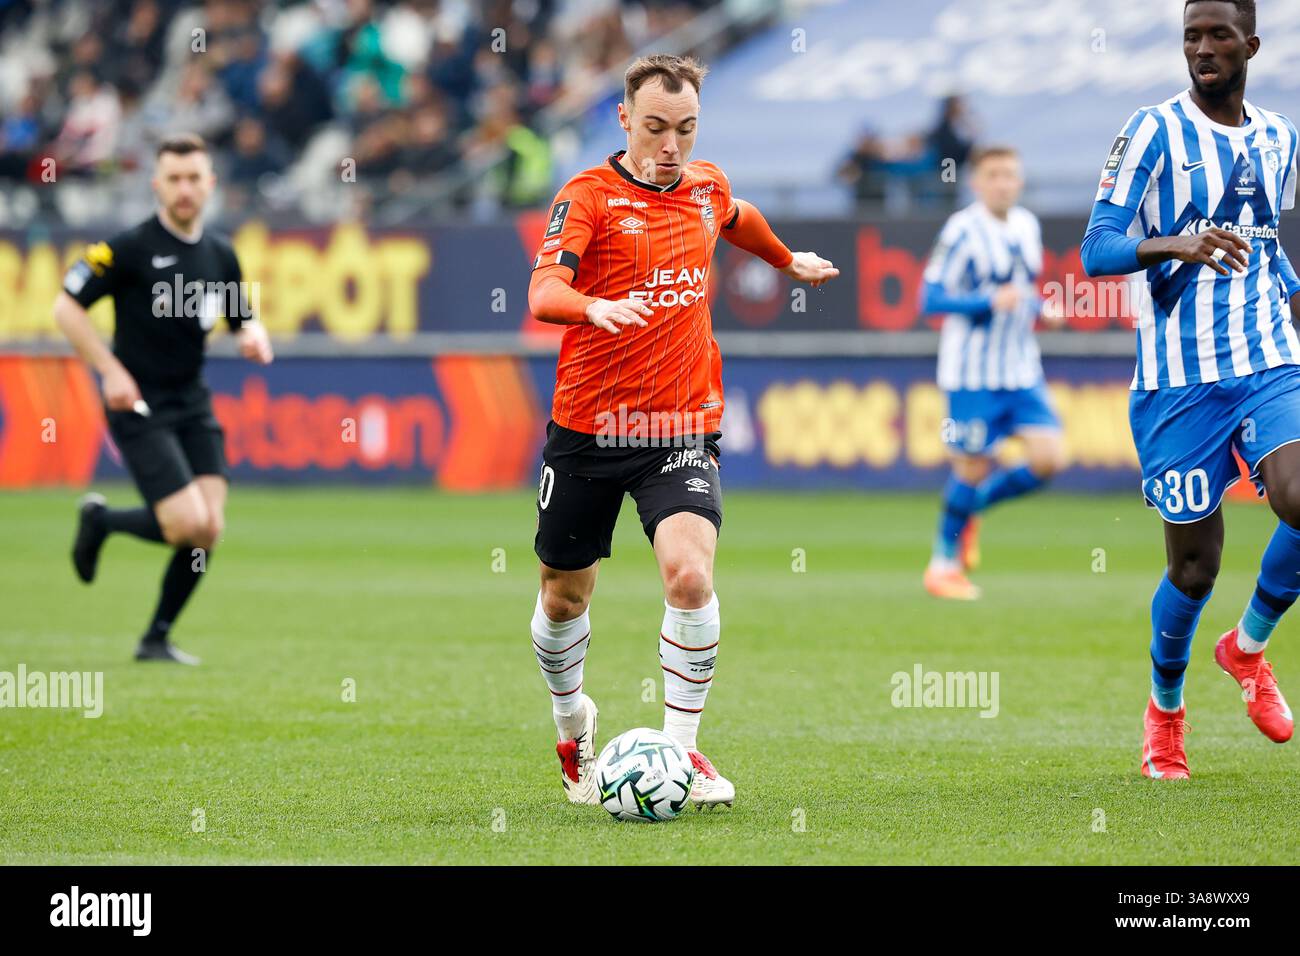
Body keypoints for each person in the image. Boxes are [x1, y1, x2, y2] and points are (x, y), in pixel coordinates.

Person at [527, 54, 838, 808]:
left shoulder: (706, 185)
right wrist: (591, 307)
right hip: (589, 428)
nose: (673, 145)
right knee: (564, 598)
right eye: (658, 128)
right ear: (625, 119)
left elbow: (738, 218)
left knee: (691, 576)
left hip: (679, 424)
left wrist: (786, 259)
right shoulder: (589, 197)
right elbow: (543, 291)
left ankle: (684, 752)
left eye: (687, 128)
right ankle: (573, 724)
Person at [1082, 0, 1298, 778]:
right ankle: (1165, 711)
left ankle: (1248, 648)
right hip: (1178, 382)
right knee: (1193, 568)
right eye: (1191, 37)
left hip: (1271, 360)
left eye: (1217, 36)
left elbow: (1270, 251)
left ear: (1251, 44)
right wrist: (1179, 241)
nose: (1203, 49)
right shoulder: (1151, 131)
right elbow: (1096, 249)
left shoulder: (1280, 137)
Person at [55, 132, 274, 665]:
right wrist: (109, 371)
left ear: (211, 184)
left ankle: (156, 638)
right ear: (156, 183)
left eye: (194, 178)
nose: (184, 189)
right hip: (139, 403)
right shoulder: (128, 249)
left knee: (209, 529)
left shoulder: (221, 254)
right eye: (174, 179)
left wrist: (254, 336)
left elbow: (244, 319)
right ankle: (100, 523)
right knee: (185, 525)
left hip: (192, 402)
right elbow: (66, 308)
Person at [920, 146, 1066, 601]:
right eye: (994, 175)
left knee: (1049, 459)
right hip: (972, 375)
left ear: (1019, 182)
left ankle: (971, 512)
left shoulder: (1027, 225)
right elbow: (930, 300)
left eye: (1010, 175)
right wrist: (985, 302)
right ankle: (942, 567)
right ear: (977, 183)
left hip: (1021, 369)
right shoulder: (962, 230)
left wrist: (1044, 309)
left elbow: (1020, 291)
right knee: (971, 467)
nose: (1003, 182)